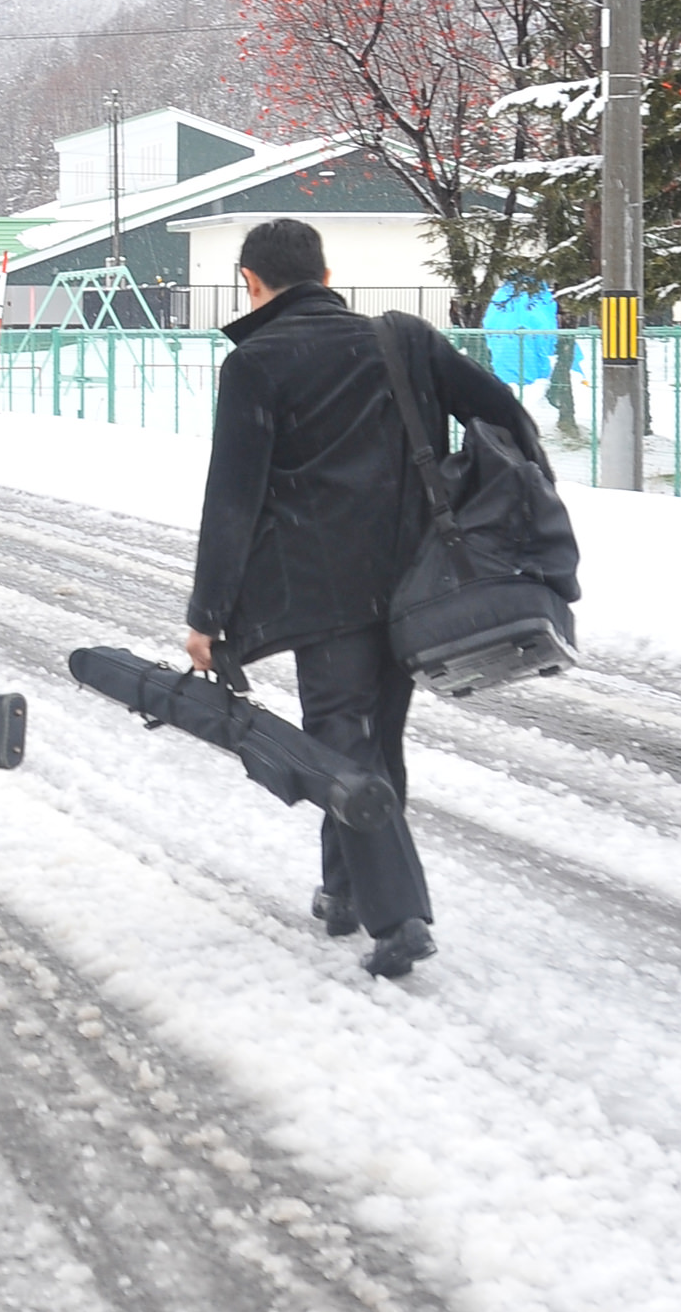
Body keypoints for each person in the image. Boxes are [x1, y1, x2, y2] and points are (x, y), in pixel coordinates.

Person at [182, 216, 548, 981]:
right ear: (323, 270)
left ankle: (397, 913)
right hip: (416, 581)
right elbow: (505, 414)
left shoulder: (257, 363)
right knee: (376, 736)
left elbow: (233, 499)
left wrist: (208, 616)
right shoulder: (402, 338)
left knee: (341, 740)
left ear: (251, 281)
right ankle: (344, 890)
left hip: (321, 591)